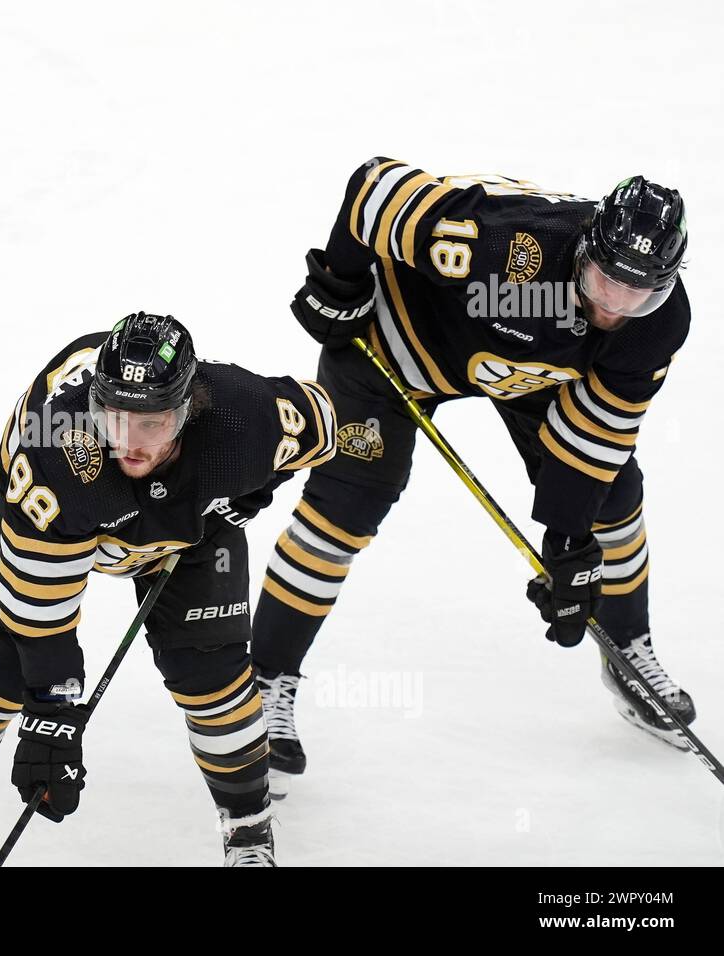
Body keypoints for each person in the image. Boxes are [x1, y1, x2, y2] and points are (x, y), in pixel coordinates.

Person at [253, 159, 693, 795]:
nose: (615, 306)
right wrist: (341, 282)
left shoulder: (659, 324)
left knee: (614, 497)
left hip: (530, 370)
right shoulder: (502, 244)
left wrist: (569, 545)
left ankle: (629, 654)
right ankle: (263, 681)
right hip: (397, 349)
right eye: (603, 281)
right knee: (346, 504)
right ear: (583, 252)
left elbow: (598, 431)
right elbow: (375, 188)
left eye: (640, 293)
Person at [0, 312, 337, 866]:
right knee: (2, 663)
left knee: (212, 675)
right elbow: (40, 621)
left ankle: (249, 834)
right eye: (115, 417)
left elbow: (324, 424)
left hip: (188, 521)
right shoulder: (55, 457)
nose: (131, 443)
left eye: (153, 423)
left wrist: (253, 488)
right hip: (55, 517)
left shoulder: (243, 422)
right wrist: (51, 714)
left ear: (189, 409)